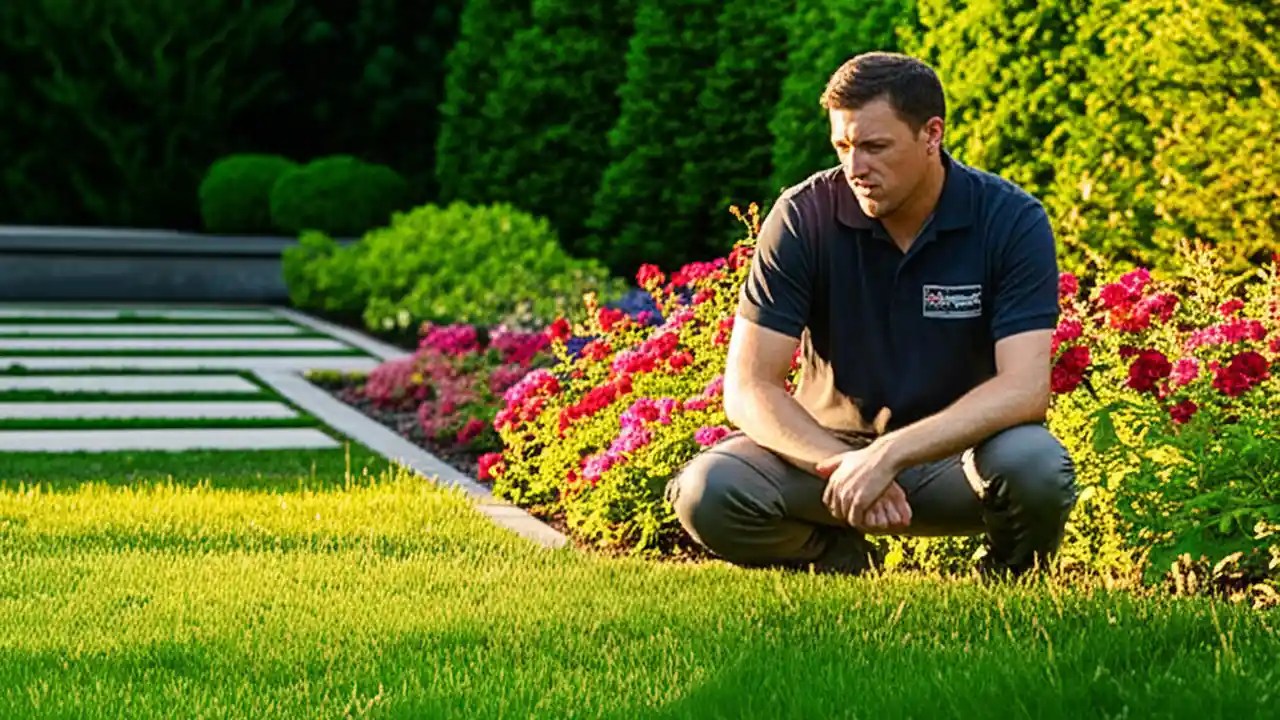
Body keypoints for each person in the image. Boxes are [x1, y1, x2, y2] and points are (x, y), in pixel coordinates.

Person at [664, 52, 1077, 577]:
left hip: (959, 462)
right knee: (709, 490)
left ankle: (1008, 577)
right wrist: (848, 465)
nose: (855, 168)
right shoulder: (803, 216)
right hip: (826, 461)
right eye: (843, 147)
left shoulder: (1010, 219)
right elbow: (748, 388)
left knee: (1036, 466)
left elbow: (1024, 389)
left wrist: (891, 455)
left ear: (932, 134)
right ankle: (840, 561)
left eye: (875, 147)